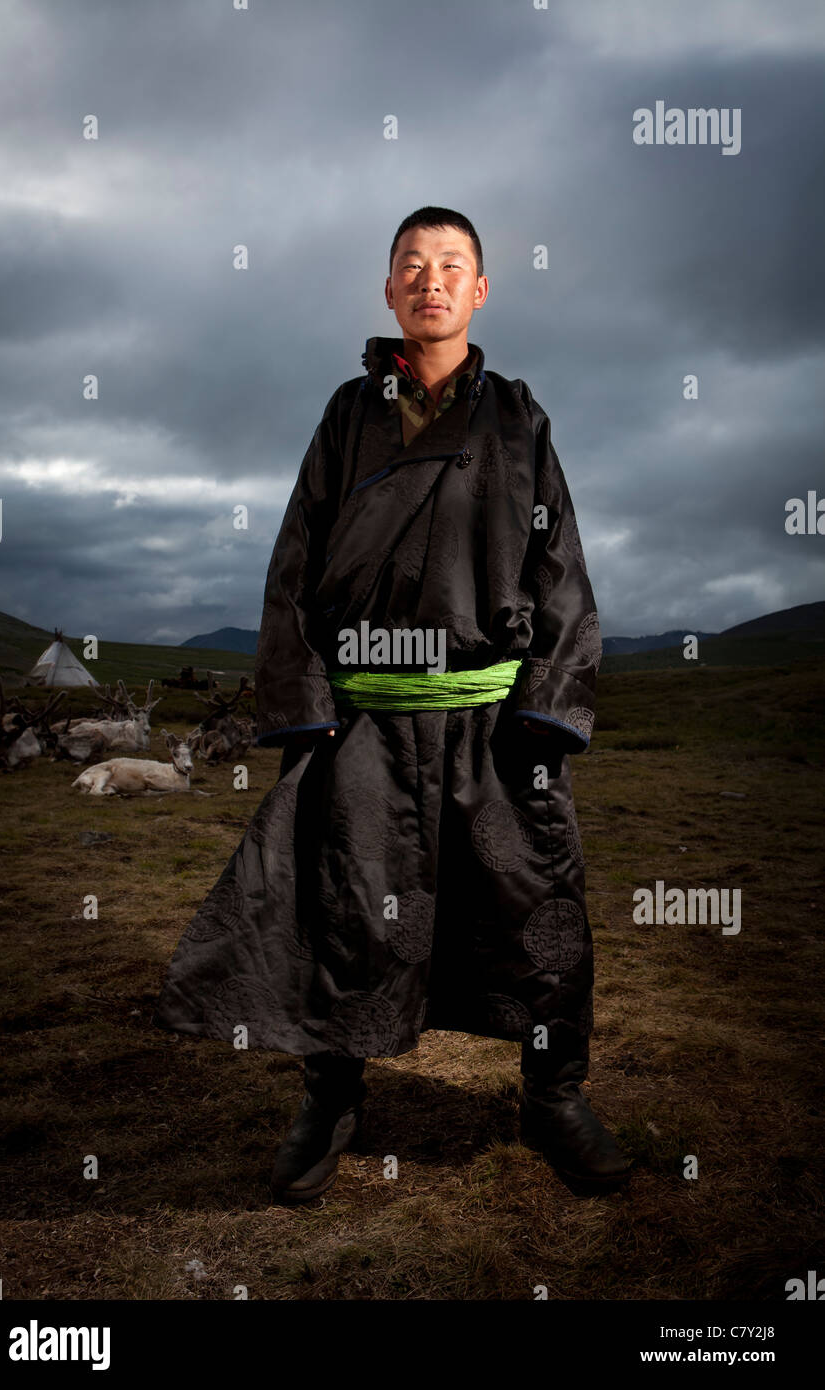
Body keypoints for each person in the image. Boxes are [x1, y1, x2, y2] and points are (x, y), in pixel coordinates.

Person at [153, 206, 630, 1202]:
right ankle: (329, 1098)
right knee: (344, 914)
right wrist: (308, 704)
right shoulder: (345, 415)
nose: (430, 279)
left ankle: (551, 1094)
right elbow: (292, 562)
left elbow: (560, 573)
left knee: (539, 914)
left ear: (480, 290)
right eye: (411, 264)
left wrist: (546, 710)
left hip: (492, 725)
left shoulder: (517, 420)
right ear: (387, 290)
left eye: (451, 264)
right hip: (366, 721)